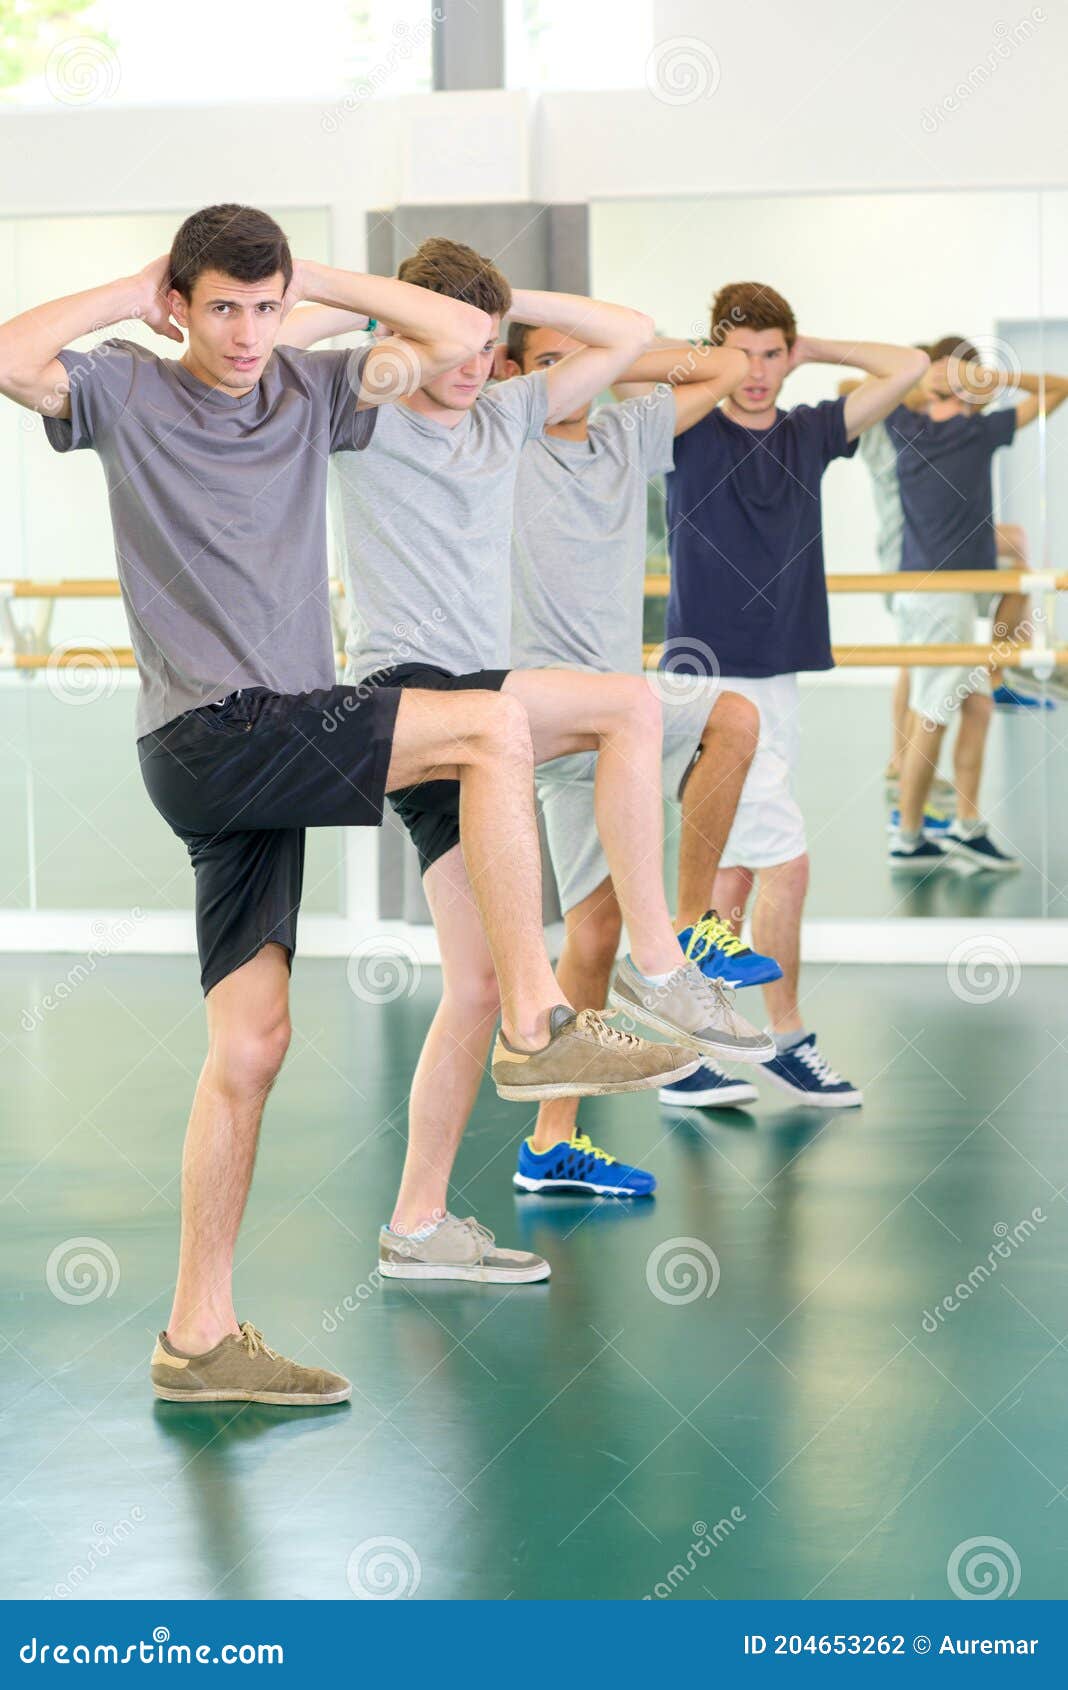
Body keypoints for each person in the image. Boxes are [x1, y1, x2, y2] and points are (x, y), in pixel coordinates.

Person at [0, 204, 701, 1407]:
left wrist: (303, 279)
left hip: (265, 744)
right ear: (185, 301)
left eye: (265, 308)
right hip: (213, 728)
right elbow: (16, 359)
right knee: (491, 725)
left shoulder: (313, 392)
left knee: (251, 1046)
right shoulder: (129, 392)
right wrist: (140, 290)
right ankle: (539, 1027)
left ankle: (198, 1336)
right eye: (223, 306)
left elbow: (452, 332)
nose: (245, 331)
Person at [280, 239, 774, 1264]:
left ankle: (415, 1222)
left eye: (488, 345)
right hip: (412, 700)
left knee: (477, 988)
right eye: (451, 345)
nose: (473, 364)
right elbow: (287, 341)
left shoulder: (505, 411)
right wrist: (353, 295)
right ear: (404, 337)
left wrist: (496, 305)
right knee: (630, 708)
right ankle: (657, 961)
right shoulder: (362, 407)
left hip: (480, 733)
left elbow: (632, 335)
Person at [504, 323, 786, 1195]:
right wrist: (578, 362)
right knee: (588, 933)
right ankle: (551, 1144)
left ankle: (687, 935)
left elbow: (738, 365)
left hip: (628, 710)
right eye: (551, 362)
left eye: (588, 361)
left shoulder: (628, 434)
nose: (577, 378)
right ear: (514, 375)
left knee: (733, 719)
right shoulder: (502, 432)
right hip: (549, 716)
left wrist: (607, 354)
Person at [664, 281, 929, 1106]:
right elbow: (624, 376)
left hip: (776, 678)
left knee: (735, 875)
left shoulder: (810, 431)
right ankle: (785, 1036)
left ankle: (688, 1054)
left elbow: (910, 365)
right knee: (787, 866)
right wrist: (708, 364)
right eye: (741, 352)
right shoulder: (684, 427)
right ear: (714, 351)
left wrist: (816, 350)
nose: (758, 370)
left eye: (773, 353)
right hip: (711, 680)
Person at [887, 336, 1068, 872]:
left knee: (976, 706)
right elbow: (1058, 388)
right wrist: (934, 379)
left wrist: (970, 383)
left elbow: (1060, 389)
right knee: (933, 715)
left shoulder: (940, 426)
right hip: (937, 596)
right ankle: (910, 834)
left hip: (954, 589)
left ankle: (965, 825)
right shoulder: (939, 428)